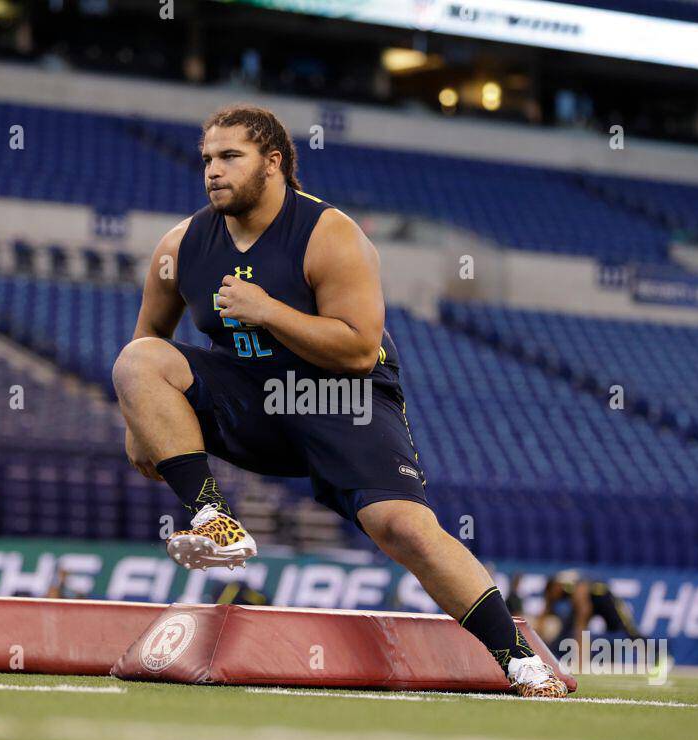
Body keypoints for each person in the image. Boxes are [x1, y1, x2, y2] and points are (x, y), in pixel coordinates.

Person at [112, 104, 566, 697]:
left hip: (339, 394)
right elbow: (150, 340)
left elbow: (356, 349)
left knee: (401, 525)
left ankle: (519, 660)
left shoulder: (330, 234)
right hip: (254, 402)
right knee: (136, 360)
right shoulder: (181, 246)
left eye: (230, 157)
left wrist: (268, 310)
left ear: (273, 163)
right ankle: (213, 519)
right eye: (206, 160)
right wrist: (137, 418)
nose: (213, 172)